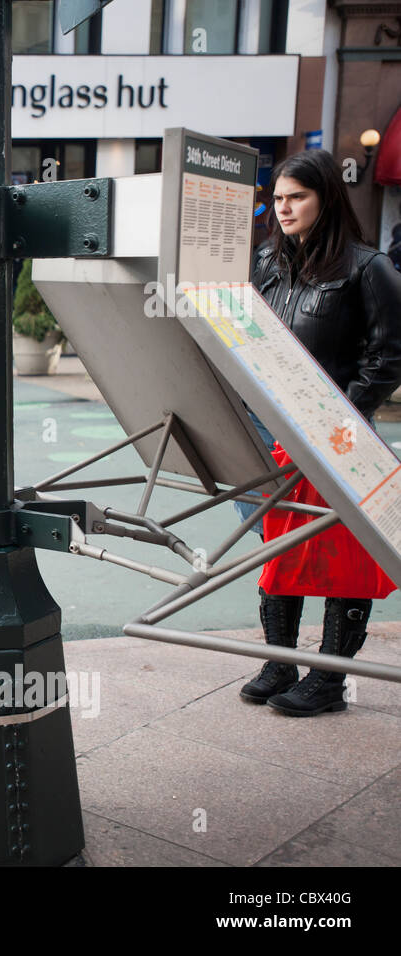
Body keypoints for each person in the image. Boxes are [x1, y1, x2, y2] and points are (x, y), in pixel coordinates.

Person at [241, 148, 401, 717]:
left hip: (337, 436)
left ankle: (329, 680)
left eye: (296, 197)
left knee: (343, 553)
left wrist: (336, 422)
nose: (283, 208)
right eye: (278, 198)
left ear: (325, 197)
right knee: (279, 548)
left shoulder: (367, 267)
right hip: (272, 431)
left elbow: (387, 358)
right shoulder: (266, 260)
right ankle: (280, 662)